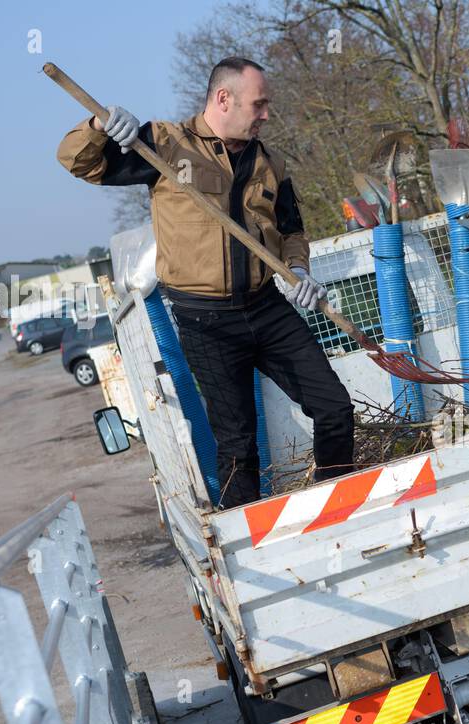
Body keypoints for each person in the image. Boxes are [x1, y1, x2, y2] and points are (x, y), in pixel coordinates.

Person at [57, 56, 355, 508]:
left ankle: (338, 506)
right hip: (204, 322)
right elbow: (78, 162)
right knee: (237, 443)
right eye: (259, 105)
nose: (266, 115)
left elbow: (292, 230)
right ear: (223, 98)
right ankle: (247, 546)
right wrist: (100, 124)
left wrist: (298, 270)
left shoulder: (271, 162)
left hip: (267, 307)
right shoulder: (163, 146)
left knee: (334, 406)